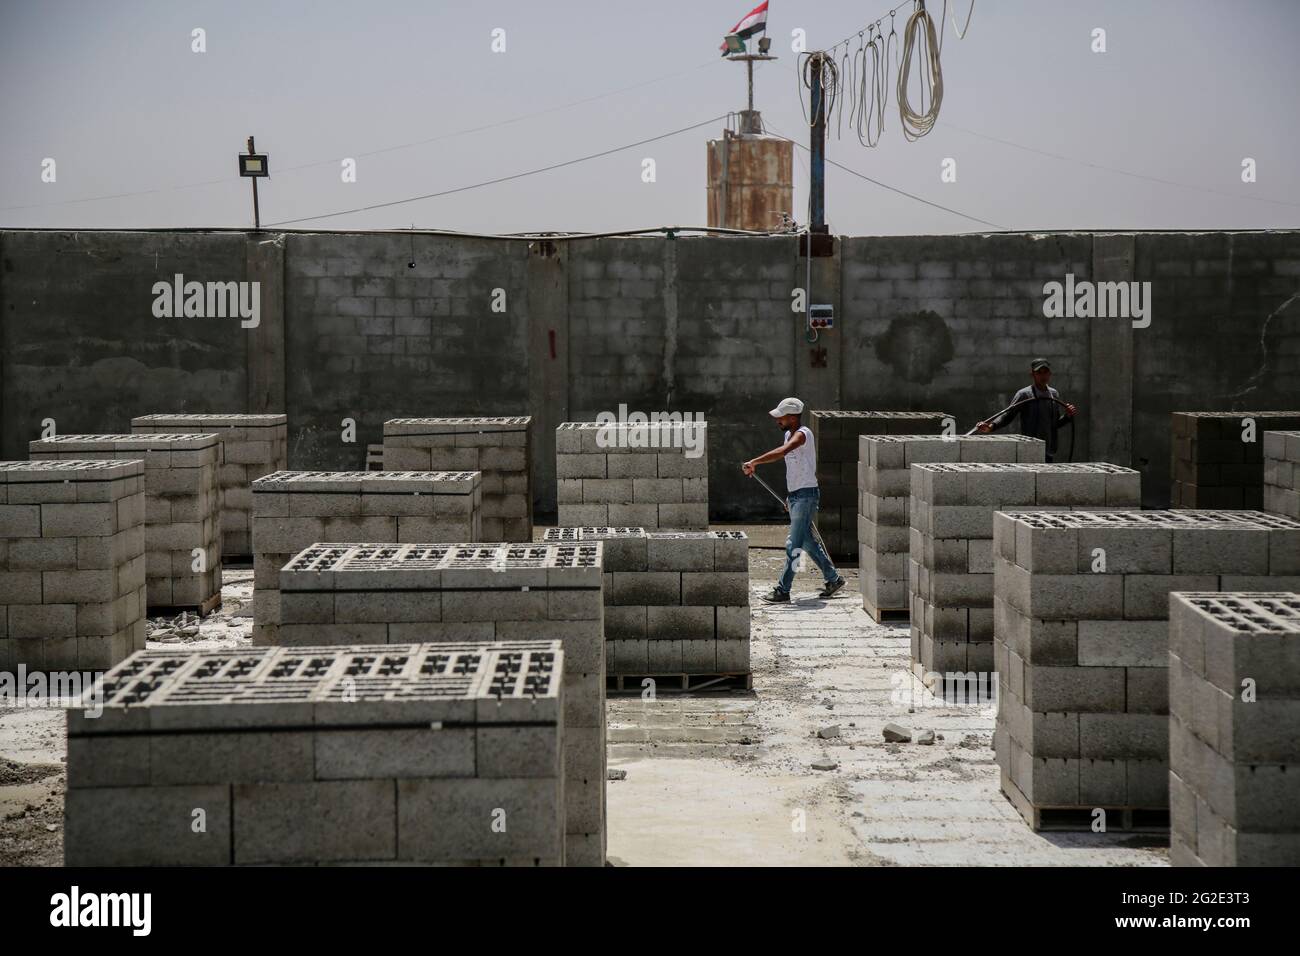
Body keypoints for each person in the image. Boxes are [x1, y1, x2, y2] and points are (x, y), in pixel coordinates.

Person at [742, 397, 846, 603]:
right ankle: (833, 579)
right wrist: (790, 497)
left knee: (793, 545)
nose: (777, 421)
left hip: (806, 495)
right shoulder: (789, 434)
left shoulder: (802, 435)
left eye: (781, 417)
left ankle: (783, 590)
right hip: (798, 496)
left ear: (792, 417)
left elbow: (782, 453)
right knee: (806, 542)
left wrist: (755, 461)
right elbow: (795, 470)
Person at [976, 358, 1078, 461]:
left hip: (1048, 450)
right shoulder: (1024, 394)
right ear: (1032, 375)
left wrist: (1067, 416)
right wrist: (991, 426)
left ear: (1050, 374)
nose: (1043, 376)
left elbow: (1055, 424)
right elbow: (1008, 415)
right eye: (1039, 372)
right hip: (1029, 450)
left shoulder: (1054, 394)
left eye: (1045, 372)